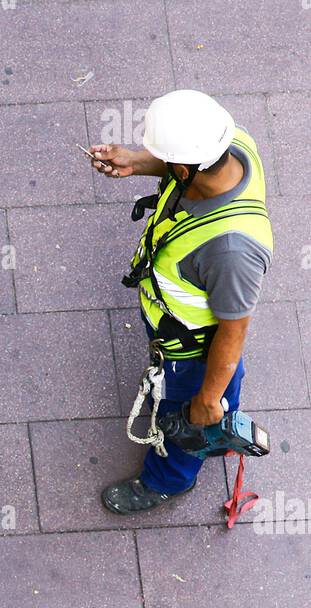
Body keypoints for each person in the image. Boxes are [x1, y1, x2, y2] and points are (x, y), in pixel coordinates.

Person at [89, 89, 273, 513]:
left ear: (184, 166)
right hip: (175, 328)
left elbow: (235, 329)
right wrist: (135, 162)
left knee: (185, 416)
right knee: (185, 404)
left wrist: (208, 399)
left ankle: (167, 481)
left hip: (192, 353)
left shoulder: (232, 251)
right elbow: (186, 165)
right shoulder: (233, 143)